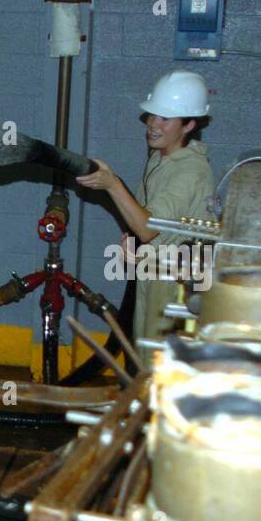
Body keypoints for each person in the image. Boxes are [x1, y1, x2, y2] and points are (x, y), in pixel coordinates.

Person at [76, 70, 215, 342]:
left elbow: (149, 229)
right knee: (141, 351)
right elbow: (145, 212)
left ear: (189, 125)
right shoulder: (161, 156)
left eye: (165, 118)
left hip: (176, 285)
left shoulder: (190, 172)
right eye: (152, 115)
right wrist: (131, 236)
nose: (153, 124)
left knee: (158, 363)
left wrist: (113, 184)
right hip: (153, 271)